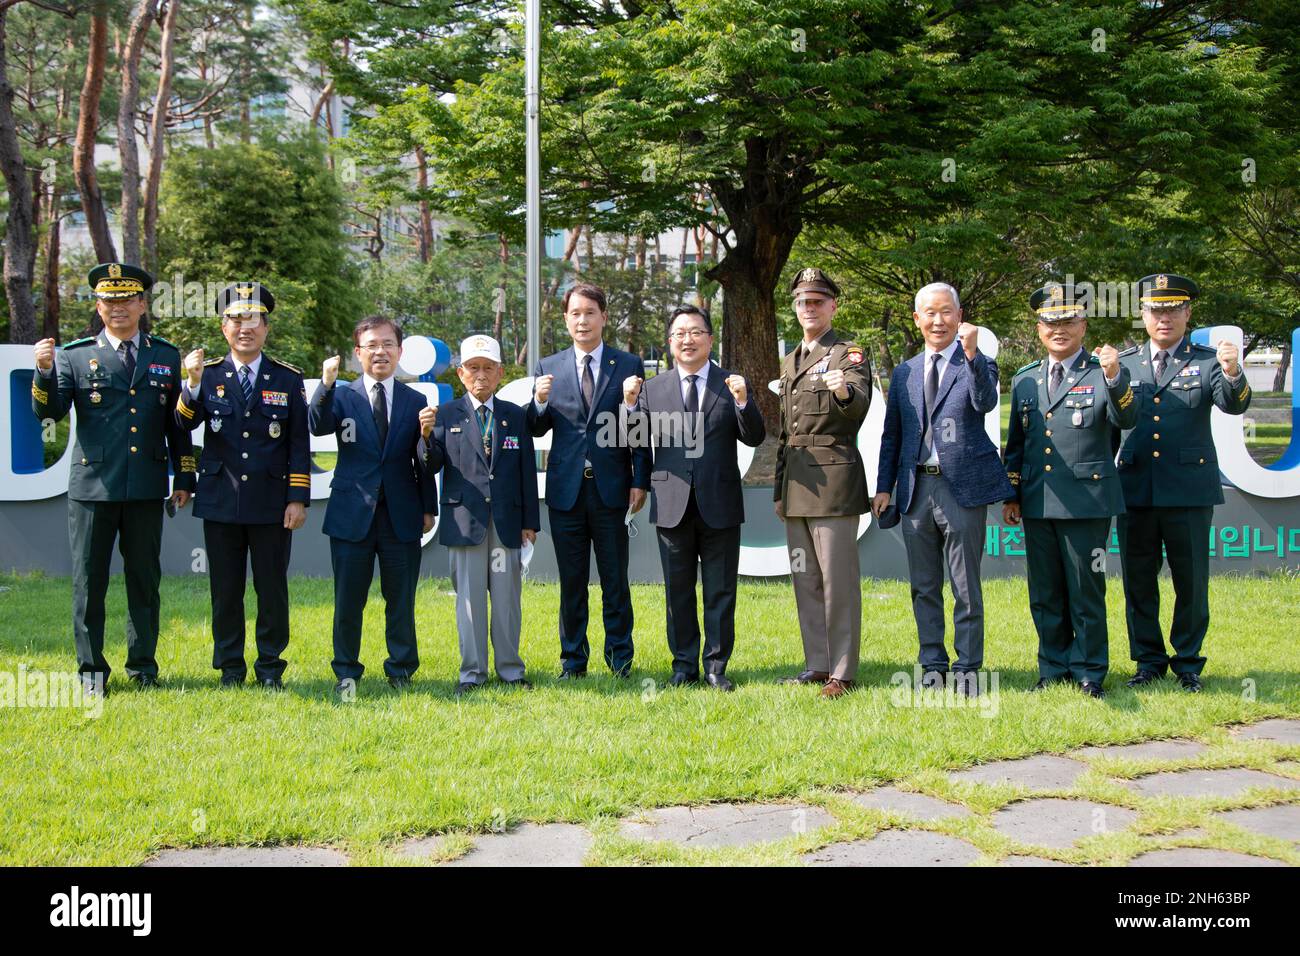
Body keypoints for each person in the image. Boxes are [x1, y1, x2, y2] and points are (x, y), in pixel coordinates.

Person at [31, 262, 196, 696]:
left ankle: (143, 668)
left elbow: (176, 424)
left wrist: (184, 475)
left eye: (127, 300)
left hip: (144, 487)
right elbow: (49, 412)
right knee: (90, 583)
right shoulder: (74, 354)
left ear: (142, 304)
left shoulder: (164, 354)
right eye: (109, 301)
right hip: (92, 488)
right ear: (99, 307)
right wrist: (45, 372)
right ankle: (91, 673)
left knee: (145, 581)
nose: (118, 307)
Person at [872, 283, 1012, 697]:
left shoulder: (978, 362)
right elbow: (892, 434)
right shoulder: (905, 372)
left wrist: (971, 355)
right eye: (929, 313)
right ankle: (932, 663)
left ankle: (968, 667)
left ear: (960, 315)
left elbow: (984, 402)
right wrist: (884, 487)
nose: (938, 320)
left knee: (965, 584)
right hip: (917, 489)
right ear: (917, 319)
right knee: (924, 584)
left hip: (962, 489)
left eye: (946, 312)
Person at [1115, 273, 1251, 693]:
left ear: (1187, 313)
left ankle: (1188, 663)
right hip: (1136, 488)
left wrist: (1233, 372)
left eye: (1173, 310)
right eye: (1156, 310)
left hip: (1189, 490)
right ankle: (1148, 661)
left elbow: (1233, 403)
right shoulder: (1125, 363)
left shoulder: (1208, 360)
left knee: (1190, 580)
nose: (1164, 318)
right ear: (1143, 314)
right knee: (1138, 580)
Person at [621, 306, 765, 691]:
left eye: (696, 332)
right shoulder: (652, 388)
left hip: (720, 503)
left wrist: (743, 401)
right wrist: (631, 406)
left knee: (720, 590)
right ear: (670, 343)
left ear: (710, 339)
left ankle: (716, 666)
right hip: (671, 504)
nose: (688, 340)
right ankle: (683, 665)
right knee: (678, 591)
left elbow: (754, 436)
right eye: (680, 333)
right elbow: (636, 442)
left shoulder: (730, 383)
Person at [1003, 284, 1136, 698]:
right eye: (1050, 322)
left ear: (1084, 324)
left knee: (1086, 589)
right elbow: (1017, 445)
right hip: (1039, 501)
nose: (1059, 329)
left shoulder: (1104, 372)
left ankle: (1090, 670)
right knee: (1044, 593)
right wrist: (1012, 494)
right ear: (1039, 327)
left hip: (1087, 502)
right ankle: (1052, 667)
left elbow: (1126, 416)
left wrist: (1114, 378)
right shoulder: (1026, 380)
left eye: (1068, 321)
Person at [175, 282, 309, 689]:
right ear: (223, 327)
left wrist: (298, 498)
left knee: (272, 590)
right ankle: (230, 668)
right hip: (220, 501)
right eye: (235, 320)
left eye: (252, 319)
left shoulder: (286, 378)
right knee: (225, 591)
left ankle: (270, 668)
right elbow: (183, 424)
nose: (244, 327)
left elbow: (299, 442)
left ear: (266, 328)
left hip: (271, 503)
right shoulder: (208, 374)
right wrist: (192, 383)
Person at [525, 283, 651, 679]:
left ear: (604, 317)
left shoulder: (628, 365)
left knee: (615, 580)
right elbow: (536, 426)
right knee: (572, 583)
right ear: (566, 319)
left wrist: (640, 479)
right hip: (566, 492)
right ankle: (573, 661)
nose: (583, 320)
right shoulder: (549, 366)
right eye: (575, 313)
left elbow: (639, 428)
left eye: (590, 312)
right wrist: (539, 401)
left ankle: (620, 660)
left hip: (612, 488)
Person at [309, 316, 436, 694]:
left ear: (399, 351)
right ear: (358, 353)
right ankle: (346, 670)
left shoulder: (416, 400)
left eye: (388, 344)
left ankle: (401, 670)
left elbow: (422, 460)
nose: (380, 352)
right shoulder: (342, 395)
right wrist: (326, 384)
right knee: (349, 600)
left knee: (401, 600)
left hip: (401, 514)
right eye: (372, 345)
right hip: (352, 513)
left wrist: (429, 507)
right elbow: (316, 425)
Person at [421, 335, 539, 695]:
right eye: (473, 368)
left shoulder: (514, 417)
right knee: (469, 600)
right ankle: (472, 674)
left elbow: (525, 473)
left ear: (501, 373)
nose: (481, 375)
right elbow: (431, 465)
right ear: (460, 373)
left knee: (506, 599)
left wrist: (530, 522)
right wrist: (425, 437)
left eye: (488, 368)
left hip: (505, 524)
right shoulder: (445, 416)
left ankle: (511, 671)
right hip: (465, 522)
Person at [774, 268, 872, 698]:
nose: (808, 309)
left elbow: (858, 406)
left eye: (817, 302)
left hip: (833, 479)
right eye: (802, 302)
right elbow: (785, 431)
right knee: (805, 577)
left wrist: (845, 393)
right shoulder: (791, 358)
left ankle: (843, 671)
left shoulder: (847, 353)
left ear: (833, 306)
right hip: (797, 482)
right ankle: (817, 663)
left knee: (838, 580)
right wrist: (780, 489)